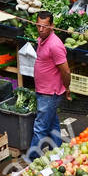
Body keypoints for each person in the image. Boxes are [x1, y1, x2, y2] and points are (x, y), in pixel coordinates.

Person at [30, 10, 69, 153]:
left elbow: (66, 71)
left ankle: (32, 158)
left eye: (44, 26)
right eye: (38, 25)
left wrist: (67, 87)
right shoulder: (41, 39)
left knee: (40, 127)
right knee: (52, 125)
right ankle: (57, 154)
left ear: (52, 26)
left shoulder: (55, 45)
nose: (41, 29)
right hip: (43, 90)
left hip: (49, 92)